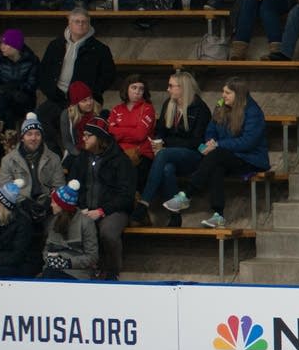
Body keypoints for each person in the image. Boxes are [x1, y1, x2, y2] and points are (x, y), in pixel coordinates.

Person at [162, 77, 266, 229]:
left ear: (238, 94)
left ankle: (186, 195)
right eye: (223, 91)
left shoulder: (253, 112)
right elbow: (210, 129)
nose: (223, 95)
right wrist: (210, 142)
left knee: (216, 156)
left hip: (249, 159)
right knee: (216, 165)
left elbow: (248, 142)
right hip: (225, 155)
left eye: (228, 93)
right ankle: (218, 215)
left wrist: (218, 145)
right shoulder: (221, 105)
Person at [62, 116, 135, 277]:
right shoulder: (81, 158)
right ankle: (77, 271)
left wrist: (102, 211)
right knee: (66, 224)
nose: (84, 138)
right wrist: (80, 207)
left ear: (100, 138)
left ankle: (112, 272)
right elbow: (72, 185)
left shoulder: (120, 160)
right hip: (84, 208)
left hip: (113, 210)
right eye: (84, 135)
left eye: (88, 135)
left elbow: (126, 196)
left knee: (108, 232)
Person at [36, 10, 117, 148]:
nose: (80, 25)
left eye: (84, 22)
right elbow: (43, 72)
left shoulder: (99, 49)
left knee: (81, 125)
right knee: (41, 116)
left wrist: (91, 93)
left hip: (85, 101)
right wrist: (51, 91)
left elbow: (109, 75)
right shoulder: (55, 45)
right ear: (69, 23)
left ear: (89, 25)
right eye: (77, 21)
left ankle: (78, 153)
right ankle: (55, 154)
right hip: (57, 97)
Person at [138, 71, 211, 220]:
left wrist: (166, 145)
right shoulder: (169, 104)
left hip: (193, 155)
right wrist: (158, 141)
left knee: (164, 154)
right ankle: (175, 216)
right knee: (167, 169)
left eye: (171, 86)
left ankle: (144, 202)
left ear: (182, 88)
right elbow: (161, 130)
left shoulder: (200, 108)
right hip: (172, 154)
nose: (168, 89)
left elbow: (196, 141)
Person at [0, 177, 44, 279]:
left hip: (25, 264)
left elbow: (18, 254)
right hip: (4, 262)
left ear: (2, 203)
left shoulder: (23, 222)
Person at [0, 113, 63, 211]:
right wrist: (24, 203)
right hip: (19, 207)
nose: (33, 138)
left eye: (37, 134)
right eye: (29, 134)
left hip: (47, 206)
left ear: (42, 137)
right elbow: (6, 189)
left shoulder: (54, 158)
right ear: (22, 138)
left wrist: (48, 202)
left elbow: (59, 186)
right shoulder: (8, 160)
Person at [39, 179, 98, 280]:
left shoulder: (86, 223)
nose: (51, 205)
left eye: (53, 202)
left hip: (76, 272)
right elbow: (47, 247)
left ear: (62, 205)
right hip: (53, 269)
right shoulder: (53, 221)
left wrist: (67, 263)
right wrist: (49, 259)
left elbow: (92, 257)